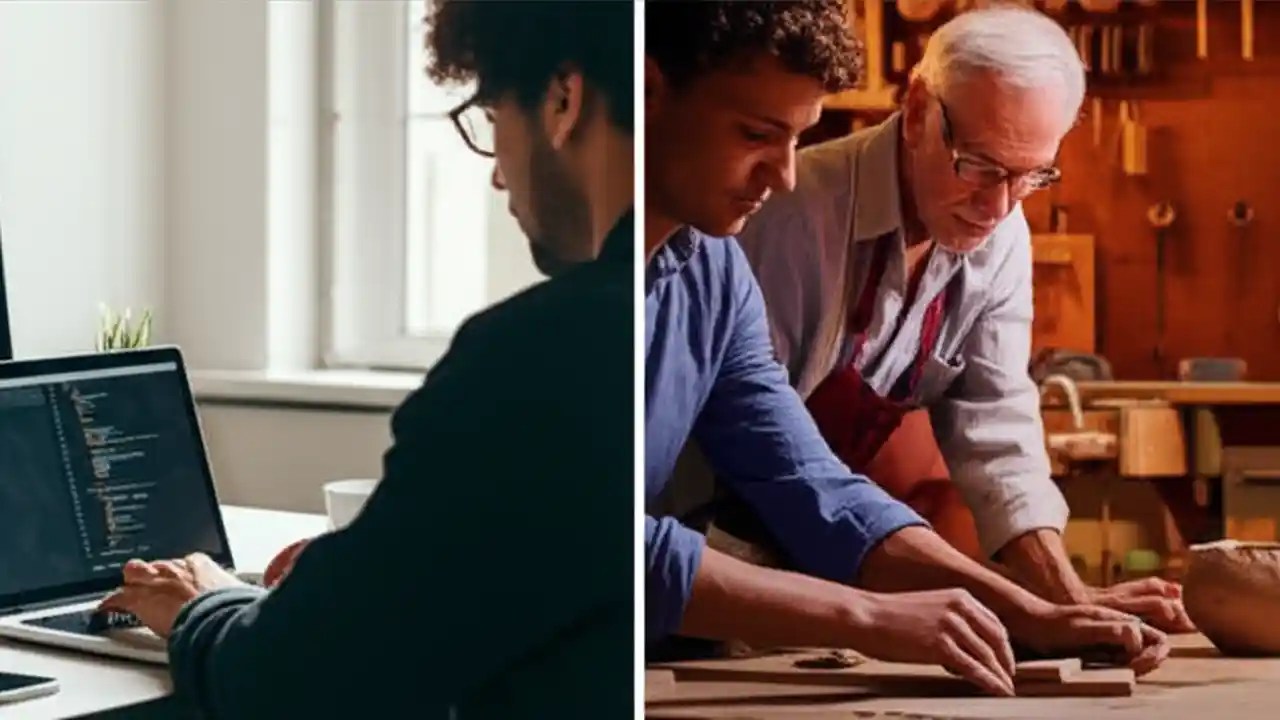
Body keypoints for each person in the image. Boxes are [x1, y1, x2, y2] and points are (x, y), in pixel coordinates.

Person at [99, 1, 635, 717]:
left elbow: (294, 683)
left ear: (563, 101)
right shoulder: (662, 301)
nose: (500, 177)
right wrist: (356, 574)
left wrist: (206, 605)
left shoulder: (541, 354)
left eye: (493, 118)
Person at [644, 0, 1168, 697]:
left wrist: (1042, 608)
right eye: (979, 165)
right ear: (918, 110)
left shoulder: (714, 266)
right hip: (653, 593)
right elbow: (621, 537)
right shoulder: (764, 224)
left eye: (1031, 177)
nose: (999, 205)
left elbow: (812, 481)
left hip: (742, 586)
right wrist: (870, 614)